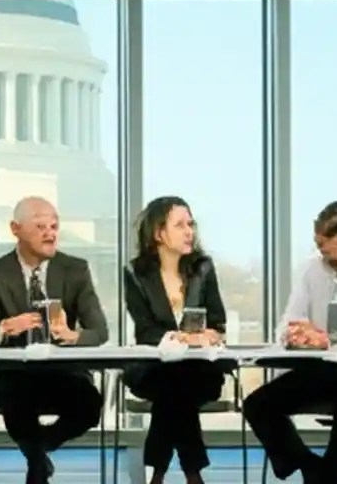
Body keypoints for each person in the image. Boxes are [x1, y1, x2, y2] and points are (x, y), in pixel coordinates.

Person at [242, 199, 337, 484]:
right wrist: (298, 335)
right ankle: (310, 466)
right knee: (257, 405)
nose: (321, 246)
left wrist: (332, 340)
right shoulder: (311, 270)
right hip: (321, 370)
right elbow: (287, 322)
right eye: (319, 240)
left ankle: (329, 473)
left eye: (329, 239)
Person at [0, 196, 108, 484]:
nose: (50, 233)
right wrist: (6, 328)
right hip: (12, 372)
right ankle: (37, 467)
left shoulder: (76, 269)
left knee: (89, 404)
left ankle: (38, 452)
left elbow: (99, 331)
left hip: (62, 372)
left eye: (54, 226)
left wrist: (73, 335)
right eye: (41, 226)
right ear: (15, 229)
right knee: (16, 398)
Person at [122, 196, 228, 484]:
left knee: (174, 391)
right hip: (152, 369)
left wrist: (210, 334)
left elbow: (218, 322)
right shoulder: (135, 274)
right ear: (158, 233)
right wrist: (180, 337)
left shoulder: (203, 268)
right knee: (174, 387)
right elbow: (145, 331)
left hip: (199, 370)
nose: (189, 231)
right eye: (180, 225)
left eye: (191, 224)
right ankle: (193, 474)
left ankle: (157, 474)